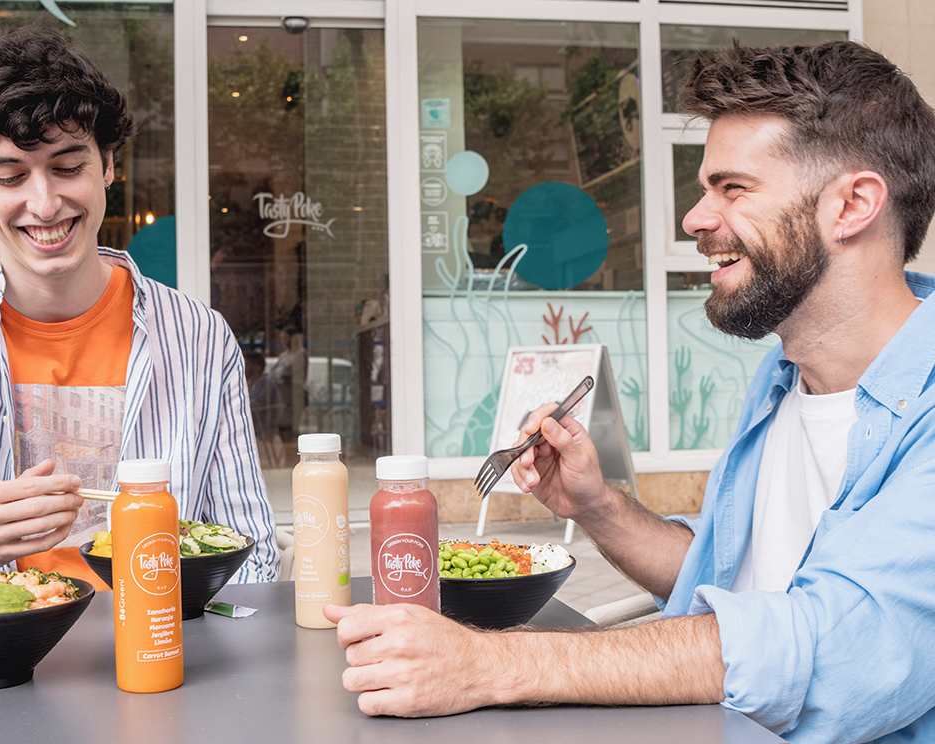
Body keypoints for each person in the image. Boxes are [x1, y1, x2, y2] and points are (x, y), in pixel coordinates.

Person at [326, 41, 935, 743]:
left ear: (853, 204)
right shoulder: (783, 383)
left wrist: (489, 666)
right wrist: (595, 505)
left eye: (733, 189)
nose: (695, 219)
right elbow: (728, 580)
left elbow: (836, 646)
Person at [0, 27, 279, 629]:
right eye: (9, 176)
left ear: (108, 166)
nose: (46, 202)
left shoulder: (199, 339)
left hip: (159, 669)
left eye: (67, 166)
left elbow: (253, 559)